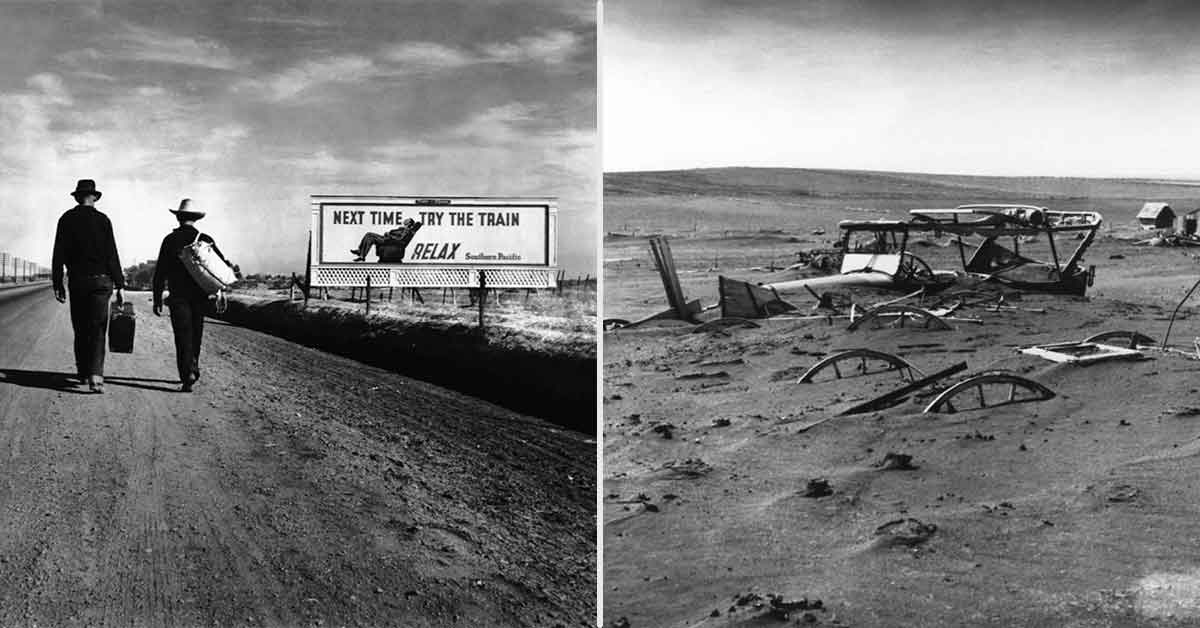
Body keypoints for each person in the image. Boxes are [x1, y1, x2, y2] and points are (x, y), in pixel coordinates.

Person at [151, 199, 234, 392]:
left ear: (179, 217)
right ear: (196, 219)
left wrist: (157, 299)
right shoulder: (204, 238)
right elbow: (220, 266)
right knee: (196, 332)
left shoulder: (170, 240)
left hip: (178, 296)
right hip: (200, 296)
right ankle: (193, 366)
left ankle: (187, 373)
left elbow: (160, 272)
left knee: (182, 335)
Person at [51, 179, 125, 393]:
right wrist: (120, 284)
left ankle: (83, 372)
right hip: (102, 281)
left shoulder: (66, 219)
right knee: (98, 327)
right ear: (94, 197)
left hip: (78, 281)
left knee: (81, 327)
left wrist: (58, 283)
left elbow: (59, 253)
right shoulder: (103, 220)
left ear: (77, 197)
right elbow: (112, 253)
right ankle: (96, 375)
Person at [350, 218, 422, 262]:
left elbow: (400, 238)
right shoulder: (404, 229)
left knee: (369, 235)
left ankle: (361, 253)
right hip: (387, 240)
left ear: (409, 223)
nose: (405, 220)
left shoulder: (406, 230)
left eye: (407, 220)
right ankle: (361, 253)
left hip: (387, 240)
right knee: (369, 236)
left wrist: (389, 235)